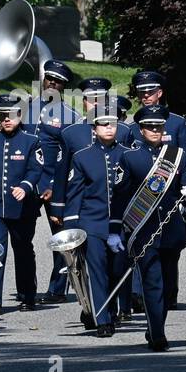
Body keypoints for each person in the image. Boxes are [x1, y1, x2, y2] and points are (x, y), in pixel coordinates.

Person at [119, 104, 186, 350]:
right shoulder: (129, 157)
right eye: (149, 127)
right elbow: (121, 196)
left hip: (171, 228)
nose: (154, 130)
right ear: (141, 130)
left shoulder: (177, 155)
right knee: (153, 282)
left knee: (167, 282)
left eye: (158, 127)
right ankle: (157, 332)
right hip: (143, 228)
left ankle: (156, 326)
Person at [64, 111, 133, 337]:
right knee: (97, 271)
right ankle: (102, 319)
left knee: (116, 269)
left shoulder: (128, 154)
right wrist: (71, 226)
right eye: (103, 125)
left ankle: (109, 310)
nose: (109, 128)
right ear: (94, 130)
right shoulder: (82, 157)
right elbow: (75, 193)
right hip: (92, 221)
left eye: (112, 124)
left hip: (121, 223)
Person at [0, 94, 43, 314]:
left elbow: (35, 169)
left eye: (12, 115)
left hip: (23, 207)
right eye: (3, 115)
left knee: (23, 249)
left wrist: (25, 186)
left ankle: (27, 295)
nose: (7, 119)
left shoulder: (31, 141)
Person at [32, 60, 81, 303]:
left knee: (60, 238)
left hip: (52, 185)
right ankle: (26, 291)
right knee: (20, 241)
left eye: (58, 81)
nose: (52, 83)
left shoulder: (70, 116)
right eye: (49, 78)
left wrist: (55, 185)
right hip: (26, 185)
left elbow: (71, 157)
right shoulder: (23, 108)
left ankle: (58, 288)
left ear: (64, 86)